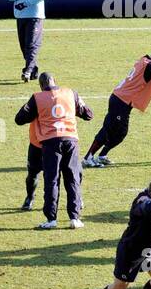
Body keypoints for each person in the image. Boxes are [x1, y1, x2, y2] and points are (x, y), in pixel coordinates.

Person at [14, 72, 93, 229]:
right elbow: (89, 115)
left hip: (50, 142)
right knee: (72, 177)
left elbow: (19, 119)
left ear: (41, 85)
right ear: (55, 81)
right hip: (70, 140)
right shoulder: (71, 93)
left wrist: (38, 113)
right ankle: (75, 218)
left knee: (52, 179)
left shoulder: (38, 97)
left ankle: (51, 219)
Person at [83, 47, 151, 167]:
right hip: (120, 101)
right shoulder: (150, 66)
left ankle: (102, 156)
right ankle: (88, 158)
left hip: (123, 102)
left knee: (121, 133)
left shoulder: (145, 60)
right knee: (108, 131)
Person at [5, 0, 46, 82]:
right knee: (23, 46)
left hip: (34, 16)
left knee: (31, 44)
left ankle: (27, 71)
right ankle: (33, 71)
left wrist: (25, 3)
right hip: (20, 16)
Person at [21, 121, 42, 211]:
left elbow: (88, 115)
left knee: (68, 172)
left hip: (59, 142)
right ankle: (30, 197)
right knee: (32, 174)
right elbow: (20, 119)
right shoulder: (35, 105)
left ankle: (76, 197)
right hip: (37, 143)